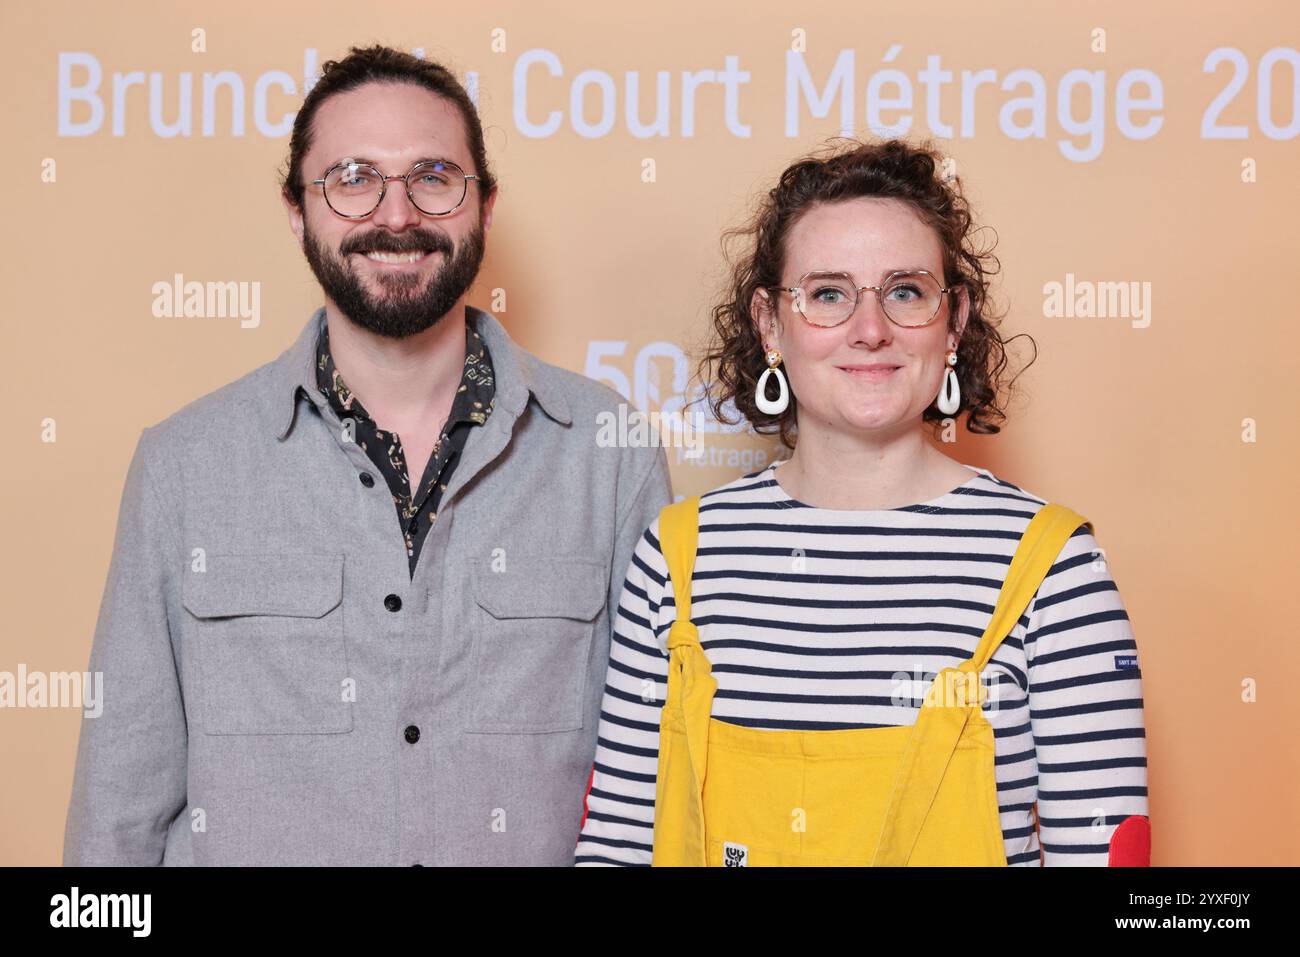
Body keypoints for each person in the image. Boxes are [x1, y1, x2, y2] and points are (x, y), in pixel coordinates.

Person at [63, 44, 670, 866]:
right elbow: (117, 818)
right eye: (352, 178)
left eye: (433, 176)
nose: (395, 216)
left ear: (484, 206)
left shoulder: (610, 452)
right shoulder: (183, 465)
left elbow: (654, 787)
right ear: (295, 210)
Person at [575, 138, 1149, 866]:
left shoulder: (1054, 568)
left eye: (905, 290)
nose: (870, 329)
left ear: (954, 320)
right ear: (769, 322)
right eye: (828, 293)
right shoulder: (677, 558)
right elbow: (617, 848)